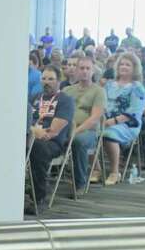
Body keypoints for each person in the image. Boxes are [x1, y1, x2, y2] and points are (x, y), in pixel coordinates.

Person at [25, 65, 74, 214]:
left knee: (37, 148)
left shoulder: (65, 100)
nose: (46, 82)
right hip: (31, 136)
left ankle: (38, 196)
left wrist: (32, 130)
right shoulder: (35, 98)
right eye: (44, 78)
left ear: (59, 81)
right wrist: (34, 130)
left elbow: (51, 132)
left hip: (53, 143)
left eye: (51, 79)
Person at [98, 52, 145, 185]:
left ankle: (115, 172)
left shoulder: (137, 88)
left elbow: (135, 111)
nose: (124, 67)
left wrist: (112, 122)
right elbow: (101, 103)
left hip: (127, 123)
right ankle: (96, 169)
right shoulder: (108, 85)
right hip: (105, 120)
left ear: (134, 68)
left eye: (128, 65)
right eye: (122, 64)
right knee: (88, 131)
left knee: (108, 134)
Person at [64, 57, 105, 192]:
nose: (85, 71)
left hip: (88, 131)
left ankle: (80, 182)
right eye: (81, 68)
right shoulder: (67, 90)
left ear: (93, 71)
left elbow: (94, 118)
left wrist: (76, 131)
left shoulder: (98, 91)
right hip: (65, 128)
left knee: (78, 141)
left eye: (88, 68)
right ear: (76, 70)